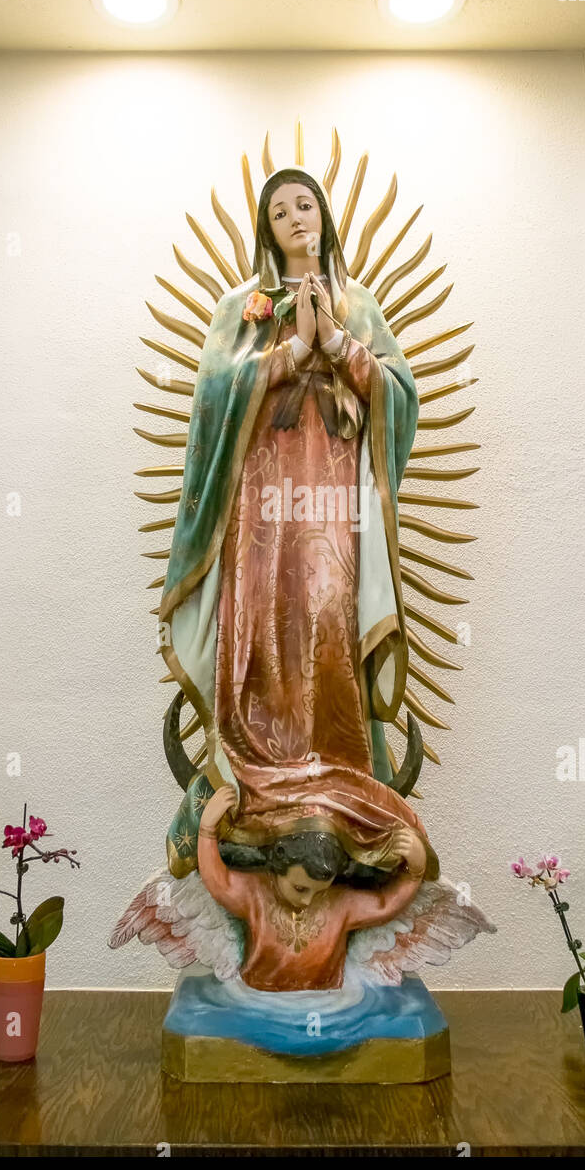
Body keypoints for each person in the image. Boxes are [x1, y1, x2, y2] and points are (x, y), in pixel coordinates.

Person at [160, 167, 437, 883]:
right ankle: (255, 792)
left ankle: (338, 791)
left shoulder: (359, 304)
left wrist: (341, 347)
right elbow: (213, 401)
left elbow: (402, 398)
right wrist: (284, 354)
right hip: (260, 514)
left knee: (327, 622)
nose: (293, 216)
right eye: (278, 208)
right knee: (265, 625)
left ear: (324, 217)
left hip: (332, 510)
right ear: (265, 227)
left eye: (304, 204)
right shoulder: (240, 307)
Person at [197, 784, 427, 991]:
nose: (308, 900)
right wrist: (206, 829)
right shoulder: (256, 892)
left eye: (320, 891)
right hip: (258, 994)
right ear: (278, 864)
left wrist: (414, 871)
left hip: (326, 997)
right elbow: (219, 882)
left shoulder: (341, 903)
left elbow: (385, 905)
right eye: (300, 888)